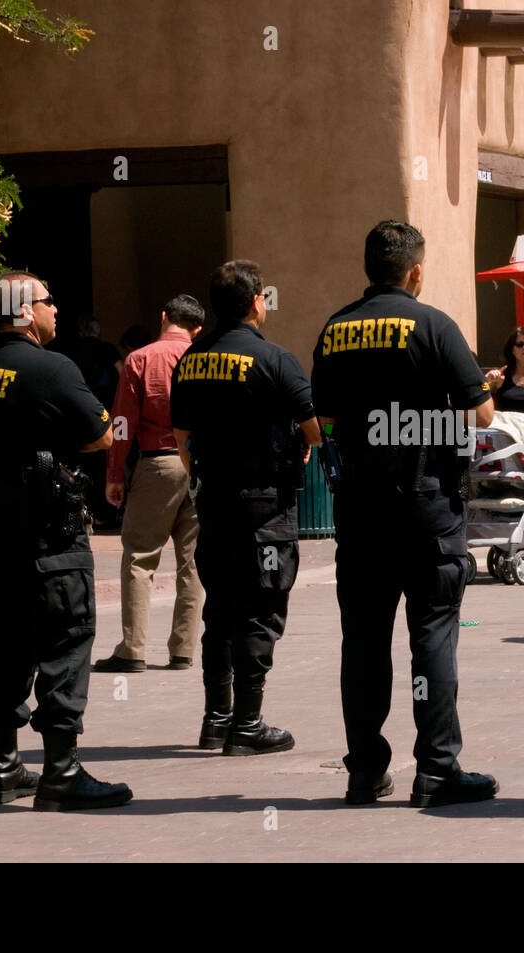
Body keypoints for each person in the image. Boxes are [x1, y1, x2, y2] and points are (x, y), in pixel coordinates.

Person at [311, 220, 497, 807]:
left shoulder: (336, 329)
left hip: (361, 511)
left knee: (363, 643)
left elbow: (324, 420)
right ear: (415, 270)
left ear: (369, 268)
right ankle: (437, 770)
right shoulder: (434, 325)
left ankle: (364, 770)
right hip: (425, 510)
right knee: (433, 638)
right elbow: (484, 415)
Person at [0, 271, 130, 811]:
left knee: (12, 647)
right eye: (47, 300)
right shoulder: (51, 367)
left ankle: (4, 767)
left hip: (0, 537)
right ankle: (61, 772)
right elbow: (99, 433)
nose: (56, 308)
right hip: (51, 535)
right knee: (66, 642)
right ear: (23, 312)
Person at [172, 261, 320, 756]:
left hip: (214, 503)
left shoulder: (191, 359)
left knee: (221, 609)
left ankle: (216, 721)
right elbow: (315, 428)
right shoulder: (275, 359)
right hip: (264, 509)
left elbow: (182, 436)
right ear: (257, 301)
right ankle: (248, 724)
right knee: (260, 609)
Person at [95, 295, 207, 674]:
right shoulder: (204, 356)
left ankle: (134, 648)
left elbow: (122, 423)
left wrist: (114, 474)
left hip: (157, 462)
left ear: (163, 318)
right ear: (198, 329)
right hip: (201, 465)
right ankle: (183, 649)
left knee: (141, 557)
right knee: (192, 563)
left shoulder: (139, 359)